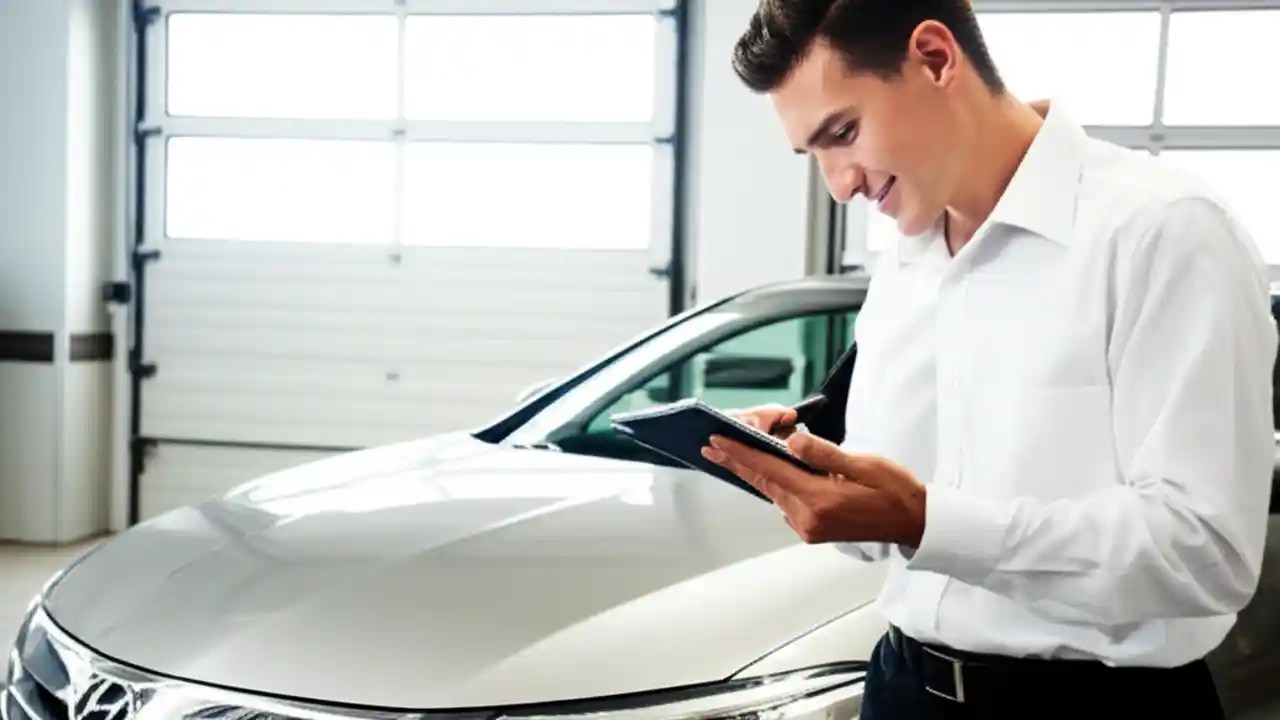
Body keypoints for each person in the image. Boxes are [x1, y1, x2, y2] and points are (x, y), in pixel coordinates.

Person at [700, 1, 1278, 717]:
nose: (840, 184)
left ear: (935, 58)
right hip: (901, 689)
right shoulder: (905, 264)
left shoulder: (1164, 232)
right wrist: (814, 478)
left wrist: (925, 521)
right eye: (813, 154)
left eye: (843, 134)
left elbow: (1206, 554)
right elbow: (890, 537)